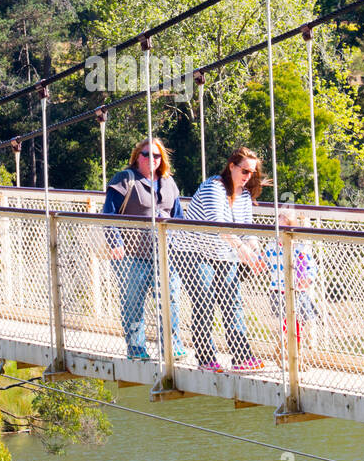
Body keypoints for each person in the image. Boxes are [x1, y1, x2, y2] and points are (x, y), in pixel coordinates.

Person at [181, 147, 269, 373]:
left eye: (252, 172)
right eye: (244, 170)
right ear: (231, 166)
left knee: (233, 303)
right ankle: (206, 359)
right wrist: (242, 250)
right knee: (204, 302)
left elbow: (246, 228)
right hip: (193, 251)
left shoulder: (245, 195)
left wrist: (254, 250)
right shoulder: (214, 187)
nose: (248, 176)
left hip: (223, 252)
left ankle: (241, 357)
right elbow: (218, 224)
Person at [101, 138, 186, 361]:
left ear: (162, 158)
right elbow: (108, 215)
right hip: (132, 254)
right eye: (146, 154)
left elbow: (178, 216)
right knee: (133, 302)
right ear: (137, 156)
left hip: (166, 254)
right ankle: (136, 348)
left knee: (170, 300)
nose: (151, 159)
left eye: (156, 155)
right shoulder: (125, 179)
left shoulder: (169, 182)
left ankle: (171, 344)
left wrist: (178, 240)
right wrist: (115, 242)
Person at [263, 211, 320, 369]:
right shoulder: (272, 246)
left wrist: (308, 279)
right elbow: (262, 261)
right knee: (290, 325)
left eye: (282, 227)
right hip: (279, 290)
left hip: (298, 291)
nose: (279, 231)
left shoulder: (300, 247)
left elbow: (311, 266)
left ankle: (283, 353)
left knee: (297, 324)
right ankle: (294, 358)